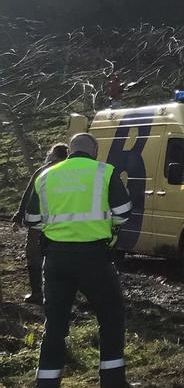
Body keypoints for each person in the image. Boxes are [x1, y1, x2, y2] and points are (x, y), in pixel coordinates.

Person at [23, 132, 132, 388]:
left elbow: (32, 219)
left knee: (55, 325)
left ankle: (47, 382)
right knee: (111, 317)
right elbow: (124, 213)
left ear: (70, 150)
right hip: (94, 257)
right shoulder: (104, 172)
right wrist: (107, 225)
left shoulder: (46, 175)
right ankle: (112, 381)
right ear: (95, 151)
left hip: (56, 258)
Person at [9, 143, 69, 305]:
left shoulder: (43, 171)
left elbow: (29, 195)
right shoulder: (73, 172)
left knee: (34, 258)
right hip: (66, 225)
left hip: (40, 224)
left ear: (53, 154)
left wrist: (19, 217)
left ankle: (37, 293)